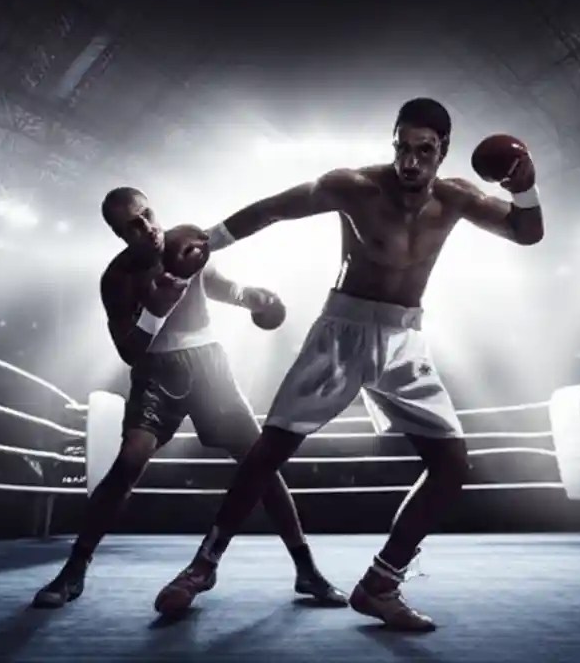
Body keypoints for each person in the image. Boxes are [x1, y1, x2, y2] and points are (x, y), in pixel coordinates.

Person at [154, 98, 544, 630]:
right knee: (269, 452)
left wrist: (525, 188)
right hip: (341, 332)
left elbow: (526, 232)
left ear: (443, 151)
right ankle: (202, 567)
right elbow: (271, 209)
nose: (410, 162)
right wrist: (205, 243)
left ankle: (381, 584)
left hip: (404, 338)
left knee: (452, 465)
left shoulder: (457, 198)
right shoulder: (354, 187)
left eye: (424, 151)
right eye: (402, 148)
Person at [32, 186, 346, 609]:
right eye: (132, 226)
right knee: (129, 461)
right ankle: (74, 570)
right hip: (156, 373)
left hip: (208, 365)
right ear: (119, 234)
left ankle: (306, 569)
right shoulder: (118, 278)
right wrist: (155, 310)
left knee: (260, 462)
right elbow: (129, 351)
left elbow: (218, 285)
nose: (146, 227)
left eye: (147, 215)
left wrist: (251, 298)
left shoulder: (186, 241)